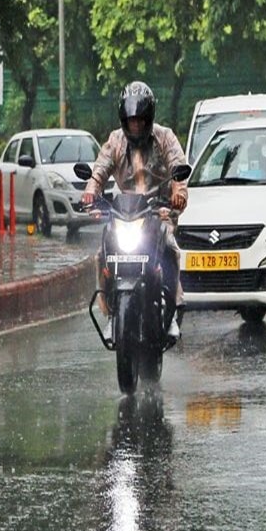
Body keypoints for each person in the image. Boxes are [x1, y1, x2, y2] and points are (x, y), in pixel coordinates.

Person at [82, 81, 189, 344]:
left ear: (149, 118)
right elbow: (100, 169)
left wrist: (179, 193)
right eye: (131, 122)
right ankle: (110, 316)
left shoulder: (165, 137)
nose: (136, 126)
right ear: (124, 120)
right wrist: (90, 191)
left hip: (159, 210)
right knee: (101, 254)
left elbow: (179, 166)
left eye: (141, 121)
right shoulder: (115, 141)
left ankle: (172, 309)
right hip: (123, 213)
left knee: (171, 249)